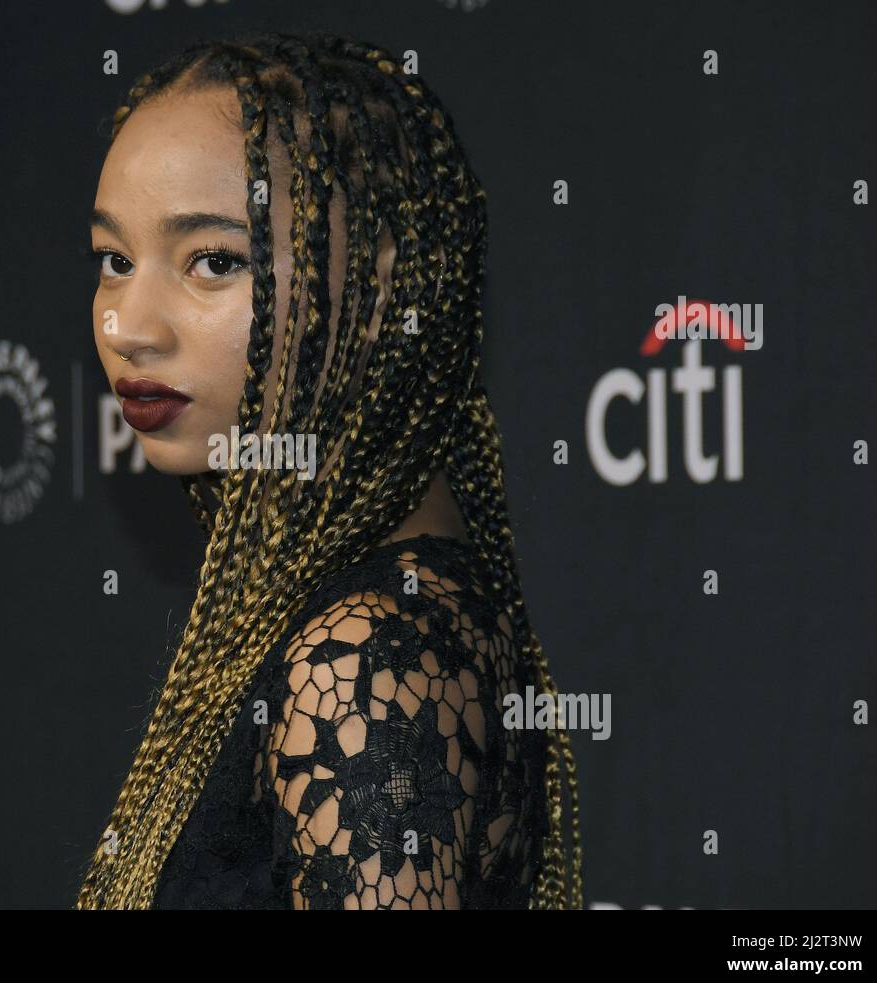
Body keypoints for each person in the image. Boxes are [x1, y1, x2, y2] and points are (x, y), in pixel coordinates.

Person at [76, 31, 583, 910]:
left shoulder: (363, 658)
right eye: (114, 261)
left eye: (213, 262)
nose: (128, 325)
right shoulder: (379, 614)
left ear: (382, 284)